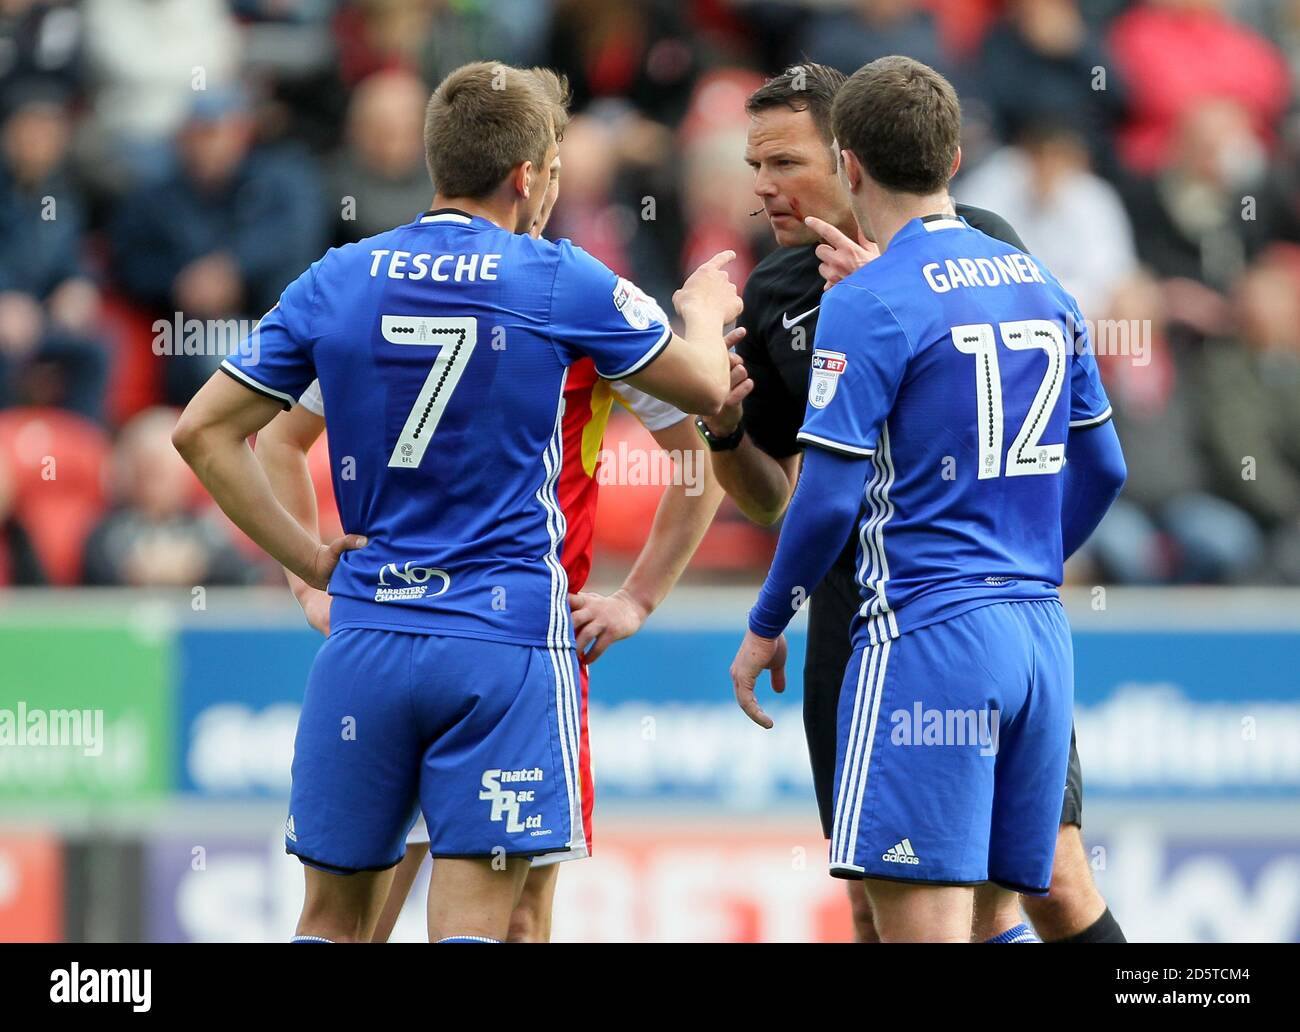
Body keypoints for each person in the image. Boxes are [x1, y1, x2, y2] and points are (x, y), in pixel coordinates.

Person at [171, 60, 737, 943]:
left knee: (329, 920)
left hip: (366, 637)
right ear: (527, 175)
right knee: (486, 923)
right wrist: (704, 306)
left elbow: (204, 435)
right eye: (550, 170)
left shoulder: (340, 278)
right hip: (501, 646)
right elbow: (707, 395)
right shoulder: (558, 279)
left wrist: (307, 560)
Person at [709, 61, 1127, 944]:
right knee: (887, 893)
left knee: (1001, 892)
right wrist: (723, 426)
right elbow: (777, 497)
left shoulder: (892, 285)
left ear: (846, 159)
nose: (762, 187)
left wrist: (762, 619)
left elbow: (822, 504)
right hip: (1002, 622)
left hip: (919, 624)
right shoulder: (1021, 279)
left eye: (783, 162)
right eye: (755, 166)